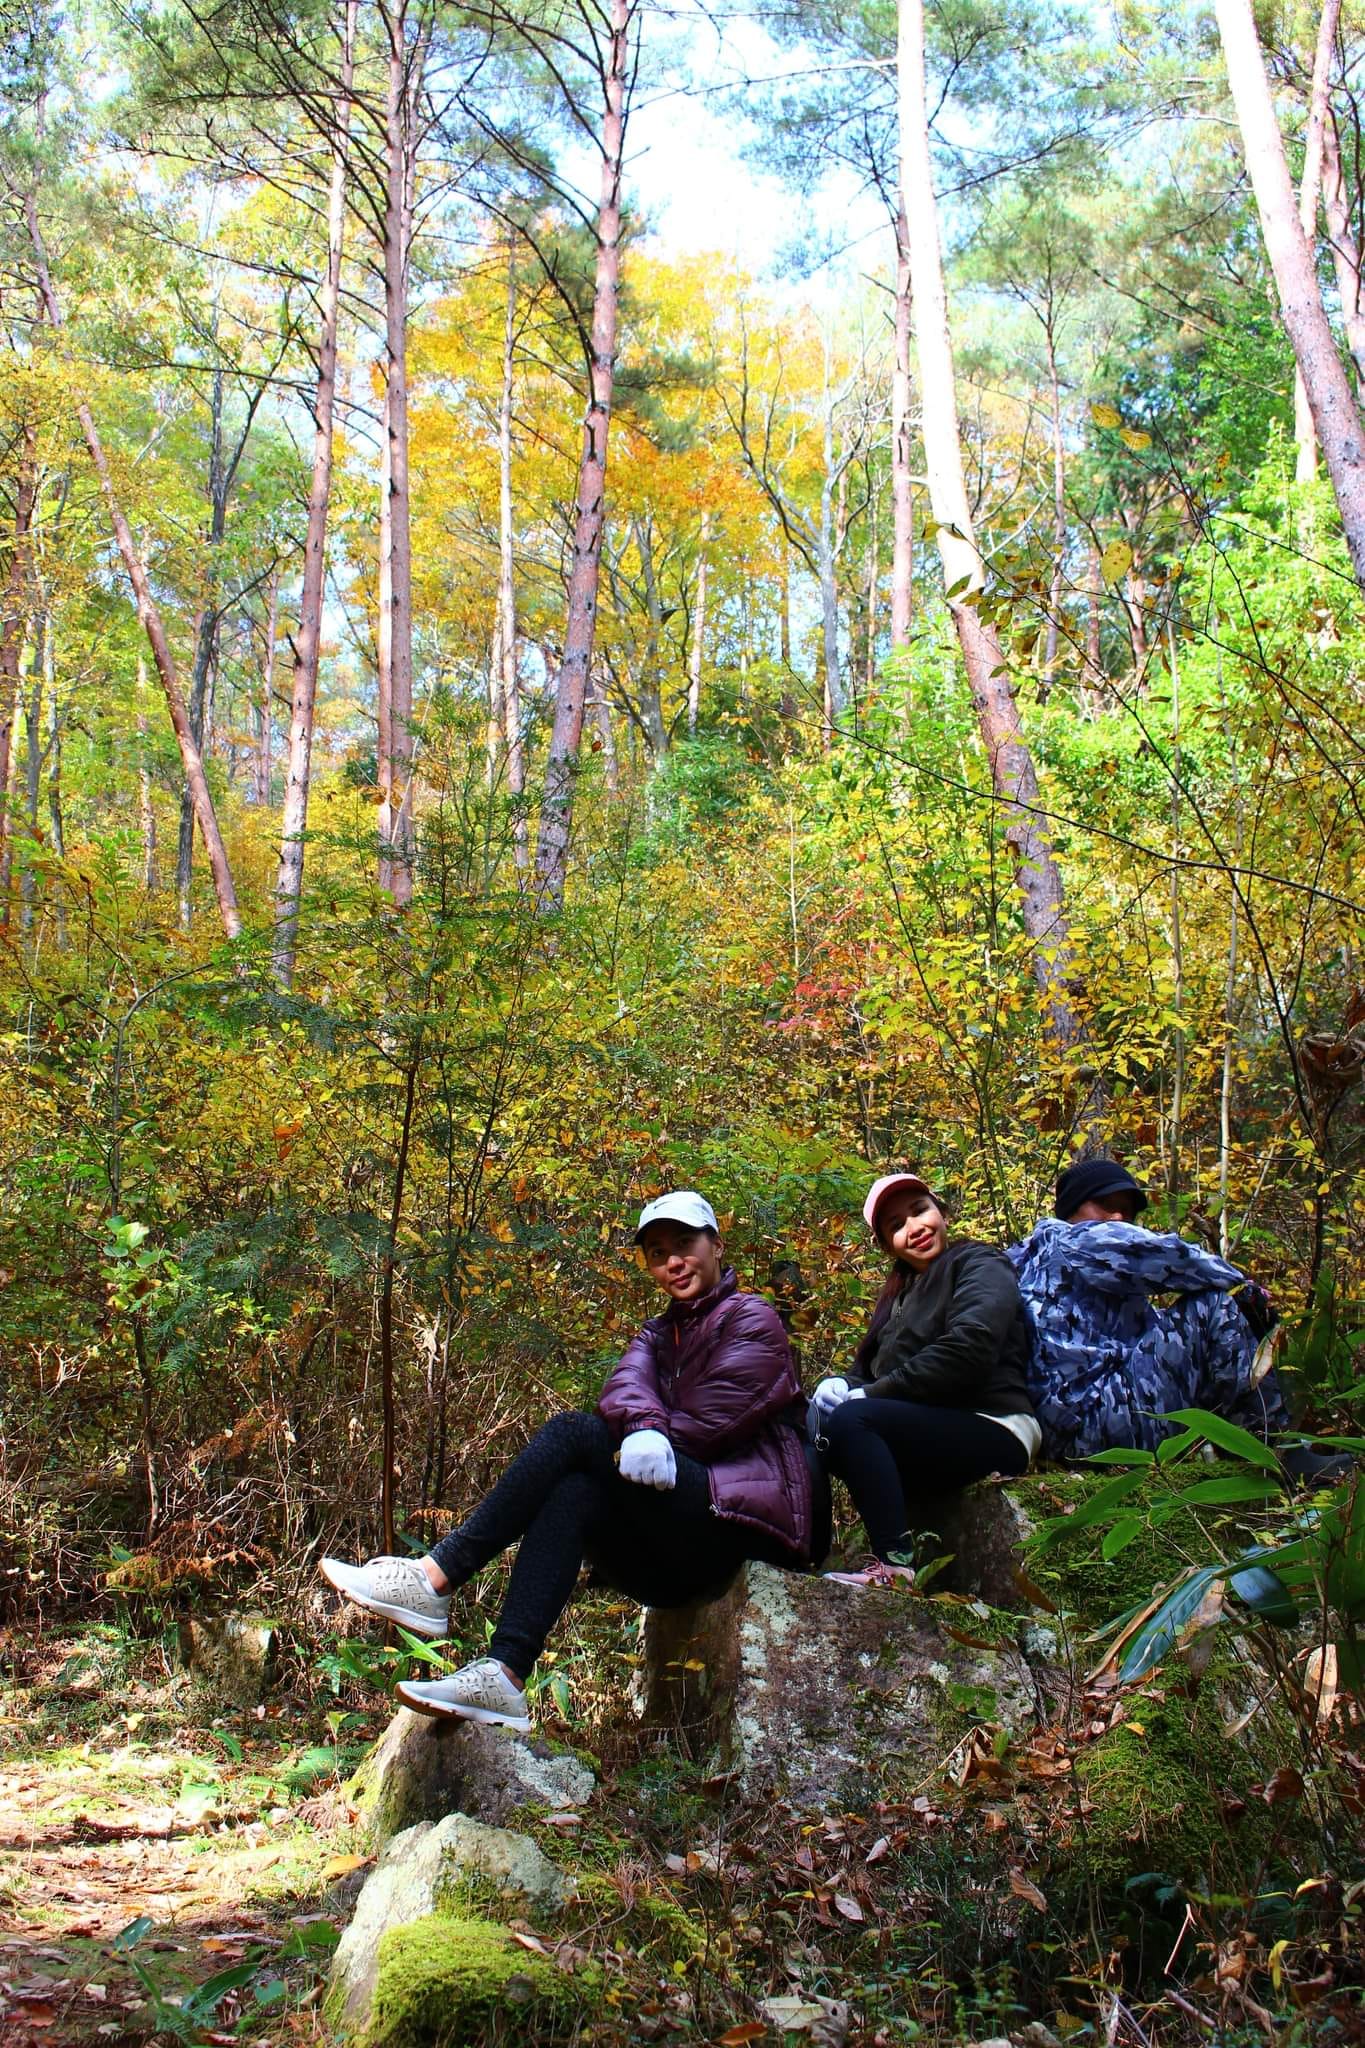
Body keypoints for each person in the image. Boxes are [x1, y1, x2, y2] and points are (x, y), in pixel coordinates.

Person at [320, 1192, 820, 1729]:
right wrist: (645, 1426)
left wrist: (649, 1429)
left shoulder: (753, 1319)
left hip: (739, 1525)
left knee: (572, 1432)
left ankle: (436, 1577)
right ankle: (505, 1675)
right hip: (673, 1553)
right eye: (657, 1252)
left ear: (716, 1245)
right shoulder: (656, 1334)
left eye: (684, 1244)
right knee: (572, 1494)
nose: (673, 1261)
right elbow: (625, 1388)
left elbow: (710, 1424)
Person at [1008, 1159, 1350, 1481]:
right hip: (1097, 1422)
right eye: (1104, 1204)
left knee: (1194, 1332)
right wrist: (1244, 1288)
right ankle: (1276, 1455)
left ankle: (1242, 1451)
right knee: (1215, 1305)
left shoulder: (1035, 1261)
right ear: (1071, 1210)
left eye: (1125, 1211)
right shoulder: (1071, 1239)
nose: (1115, 1217)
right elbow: (1176, 1257)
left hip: (1072, 1431)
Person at [812, 1172, 1040, 1588]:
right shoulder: (898, 1298)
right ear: (887, 1245)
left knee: (853, 1421)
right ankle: (807, 1558)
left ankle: (896, 1567)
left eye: (919, 1211)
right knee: (814, 1428)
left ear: (941, 1212)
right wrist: (842, 1384)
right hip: (935, 1428)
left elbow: (971, 1345)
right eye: (896, 1225)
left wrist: (868, 1395)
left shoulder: (978, 1262)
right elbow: (873, 1371)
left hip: (994, 1422)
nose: (914, 1228)